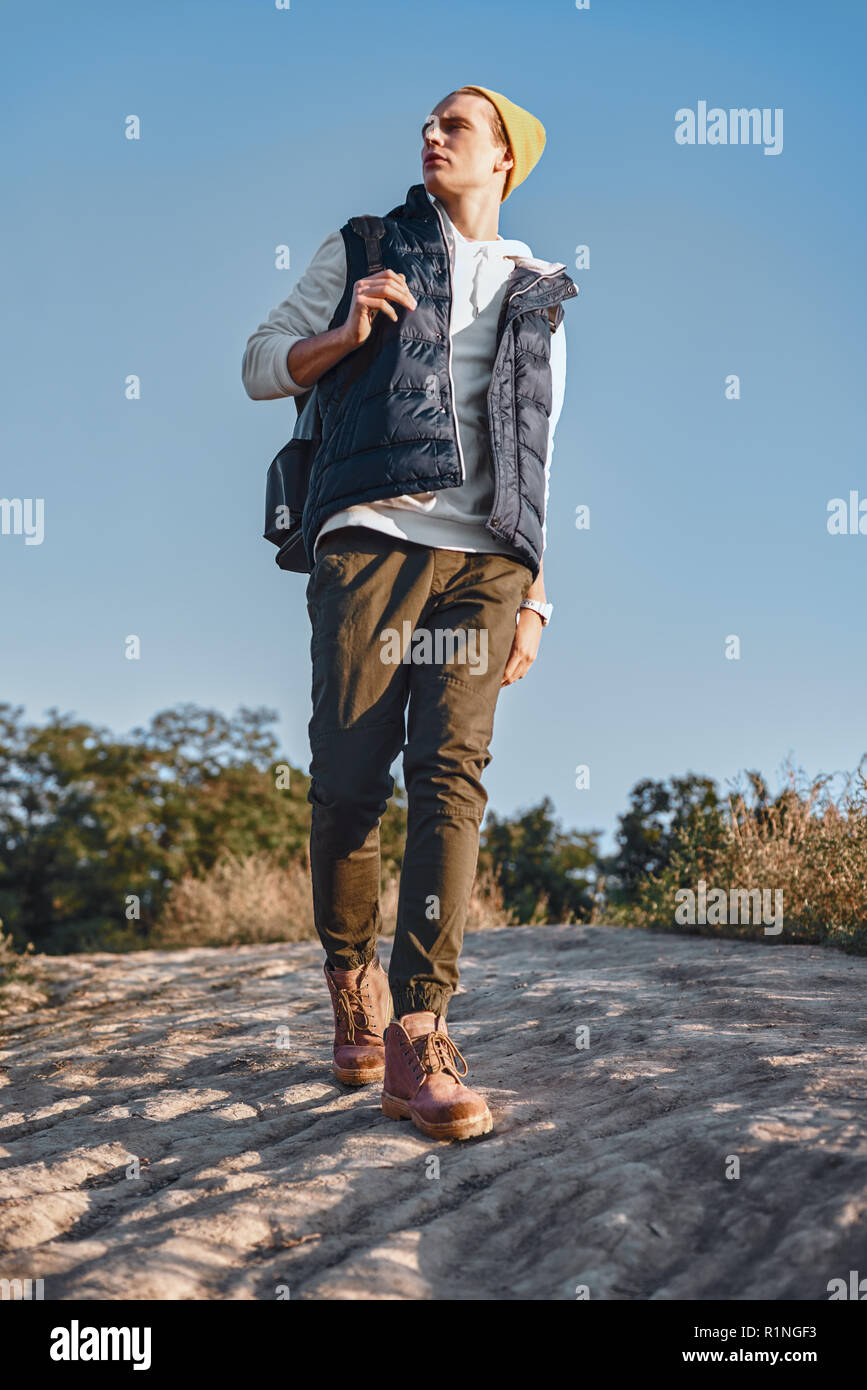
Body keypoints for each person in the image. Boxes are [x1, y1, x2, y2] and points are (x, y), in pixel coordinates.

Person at [242, 85, 576, 1141]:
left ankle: (420, 1026)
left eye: (456, 127)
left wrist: (538, 597)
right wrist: (346, 332)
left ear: (504, 160)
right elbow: (258, 364)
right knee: (348, 777)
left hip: (486, 562)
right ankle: (350, 973)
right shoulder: (364, 245)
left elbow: (538, 453)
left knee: (451, 773)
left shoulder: (539, 292)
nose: (432, 137)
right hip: (372, 539)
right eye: (429, 125)